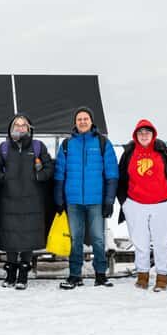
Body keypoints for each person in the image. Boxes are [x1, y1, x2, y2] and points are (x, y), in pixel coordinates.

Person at [53, 107, 118, 289]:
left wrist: (109, 200)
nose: (82, 121)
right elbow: (59, 174)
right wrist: (59, 199)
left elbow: (112, 173)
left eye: (86, 118)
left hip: (96, 200)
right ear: (75, 122)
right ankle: (75, 275)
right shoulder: (67, 145)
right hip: (73, 201)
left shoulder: (103, 143)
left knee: (98, 238)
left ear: (91, 121)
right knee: (76, 239)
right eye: (79, 119)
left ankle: (100, 274)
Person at [117, 119, 167, 292]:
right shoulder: (129, 152)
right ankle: (143, 275)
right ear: (135, 135)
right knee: (140, 242)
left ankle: (162, 276)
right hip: (135, 204)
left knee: (162, 242)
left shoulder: (163, 151)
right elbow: (121, 178)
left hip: (163, 205)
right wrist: (125, 202)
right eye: (140, 133)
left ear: (153, 134)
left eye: (147, 132)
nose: (144, 135)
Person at [0, 114, 54, 289]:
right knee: (10, 236)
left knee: (28, 235)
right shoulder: (3, 148)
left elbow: (49, 168)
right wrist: (5, 179)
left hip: (31, 200)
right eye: (16, 125)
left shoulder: (38, 146)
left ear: (29, 128)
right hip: (9, 199)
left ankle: (23, 273)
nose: (20, 128)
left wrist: (38, 176)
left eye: (23, 125)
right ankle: (11, 272)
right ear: (11, 129)